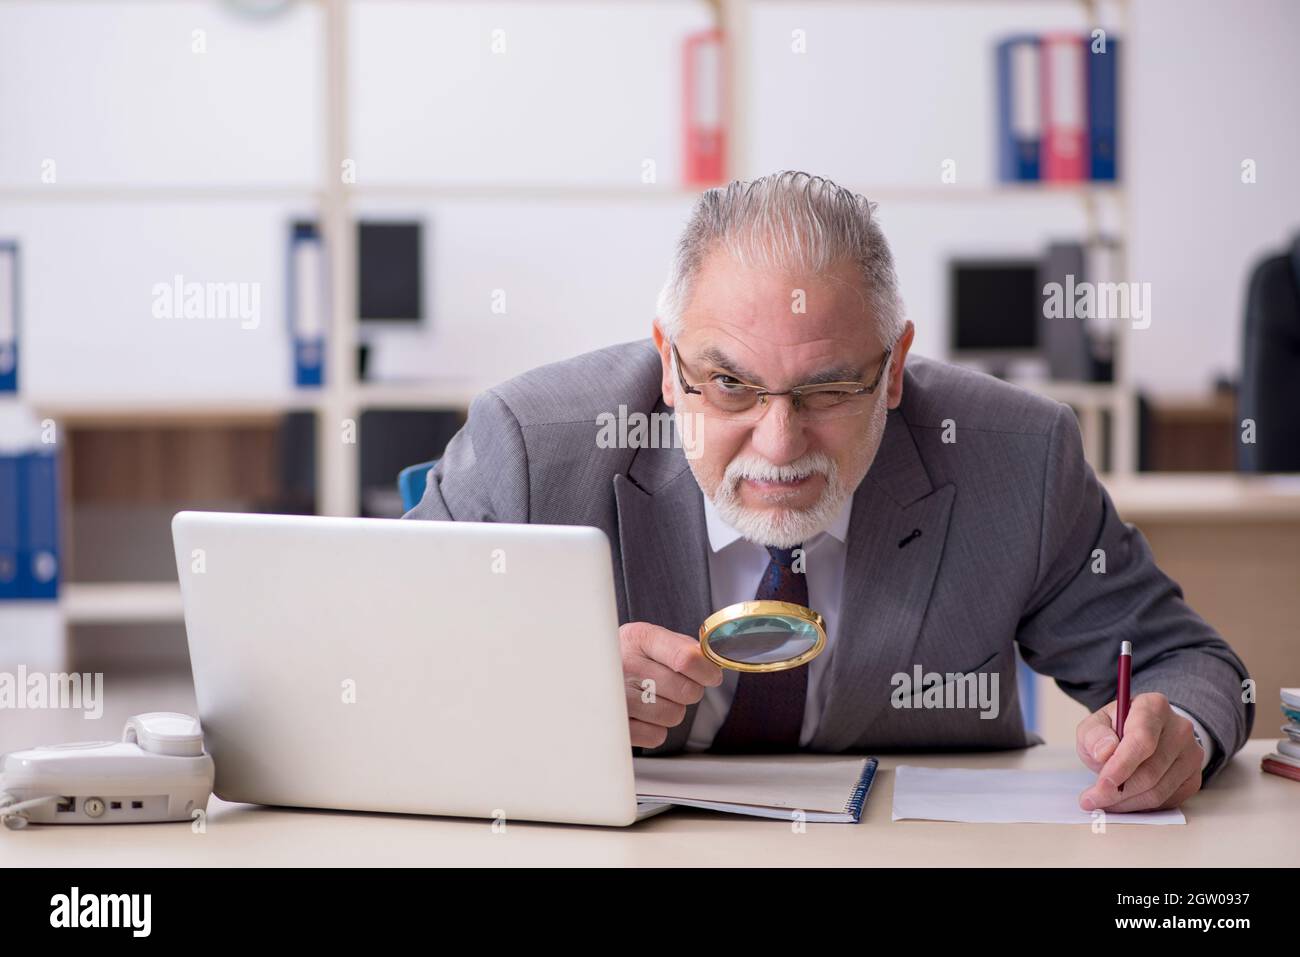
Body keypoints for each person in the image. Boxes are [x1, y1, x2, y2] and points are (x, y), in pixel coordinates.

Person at [404, 170, 1252, 812]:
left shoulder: (1018, 460)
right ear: (667, 361)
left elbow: (1195, 666)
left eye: (828, 390)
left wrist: (1177, 730)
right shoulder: (530, 448)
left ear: (893, 370)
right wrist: (542, 684)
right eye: (729, 384)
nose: (778, 443)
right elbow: (372, 670)